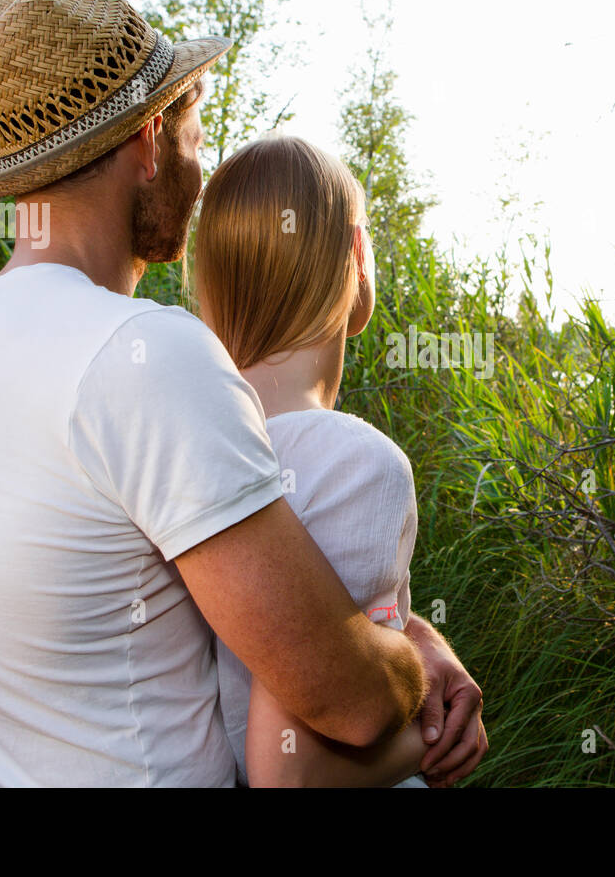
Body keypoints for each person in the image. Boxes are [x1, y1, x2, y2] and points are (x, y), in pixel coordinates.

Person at [0, 0, 485, 787]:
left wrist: (410, 632)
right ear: (149, 141)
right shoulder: (144, 356)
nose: (200, 163)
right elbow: (346, 700)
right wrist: (416, 660)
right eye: (194, 133)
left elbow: (257, 606)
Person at [196, 135, 432, 786]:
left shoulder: (191, 443)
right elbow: (289, 774)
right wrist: (435, 736)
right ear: (358, 257)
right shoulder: (357, 467)